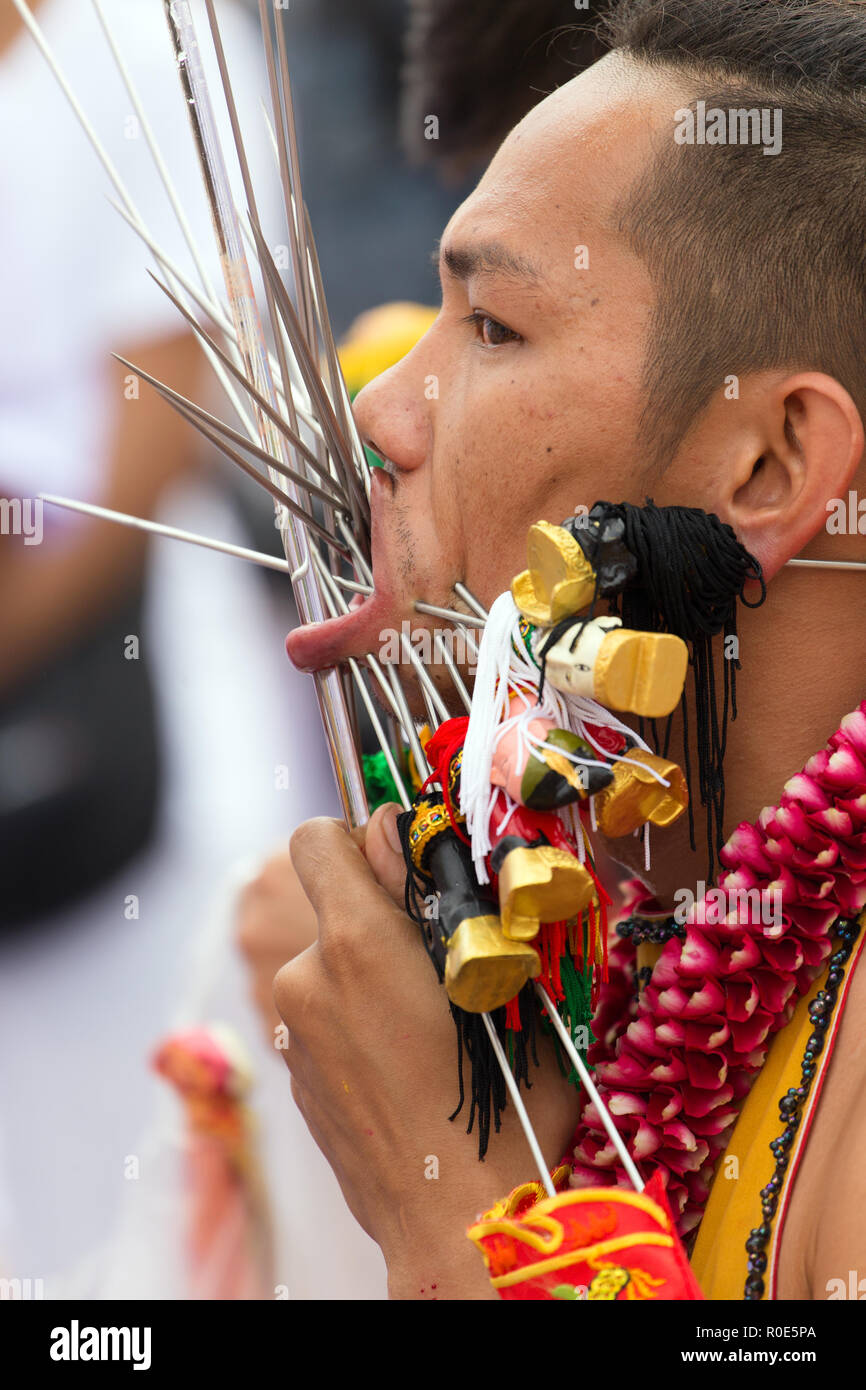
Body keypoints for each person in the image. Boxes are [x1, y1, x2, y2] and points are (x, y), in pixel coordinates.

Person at [241, 0, 866, 1299]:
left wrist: (457, 1216)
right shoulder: (608, 899)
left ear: (773, 460)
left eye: (493, 327)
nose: (379, 411)